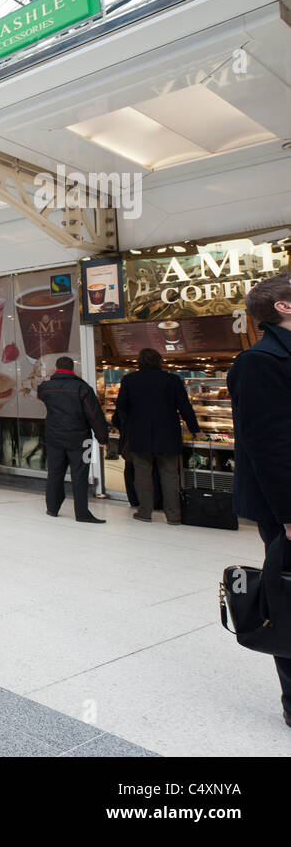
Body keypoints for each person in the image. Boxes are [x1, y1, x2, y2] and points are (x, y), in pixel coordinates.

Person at [227, 272, 291, 729]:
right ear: (283, 307)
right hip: (287, 505)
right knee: (290, 597)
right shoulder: (259, 361)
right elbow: (269, 444)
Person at [115, 347, 200, 524]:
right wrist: (195, 429)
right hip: (168, 435)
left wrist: (124, 427)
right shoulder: (172, 380)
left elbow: (121, 407)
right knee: (170, 475)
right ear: (159, 361)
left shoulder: (130, 380)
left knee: (142, 475)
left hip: (140, 435)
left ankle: (145, 512)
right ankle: (174, 516)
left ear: (140, 361)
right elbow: (185, 407)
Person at [37, 356, 108, 523]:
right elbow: (94, 415)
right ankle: (82, 513)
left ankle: (52, 508)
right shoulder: (82, 388)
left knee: (54, 473)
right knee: (80, 475)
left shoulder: (46, 388)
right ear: (72, 369)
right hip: (81, 439)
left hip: (54, 437)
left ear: (56, 368)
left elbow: (41, 394)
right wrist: (102, 437)